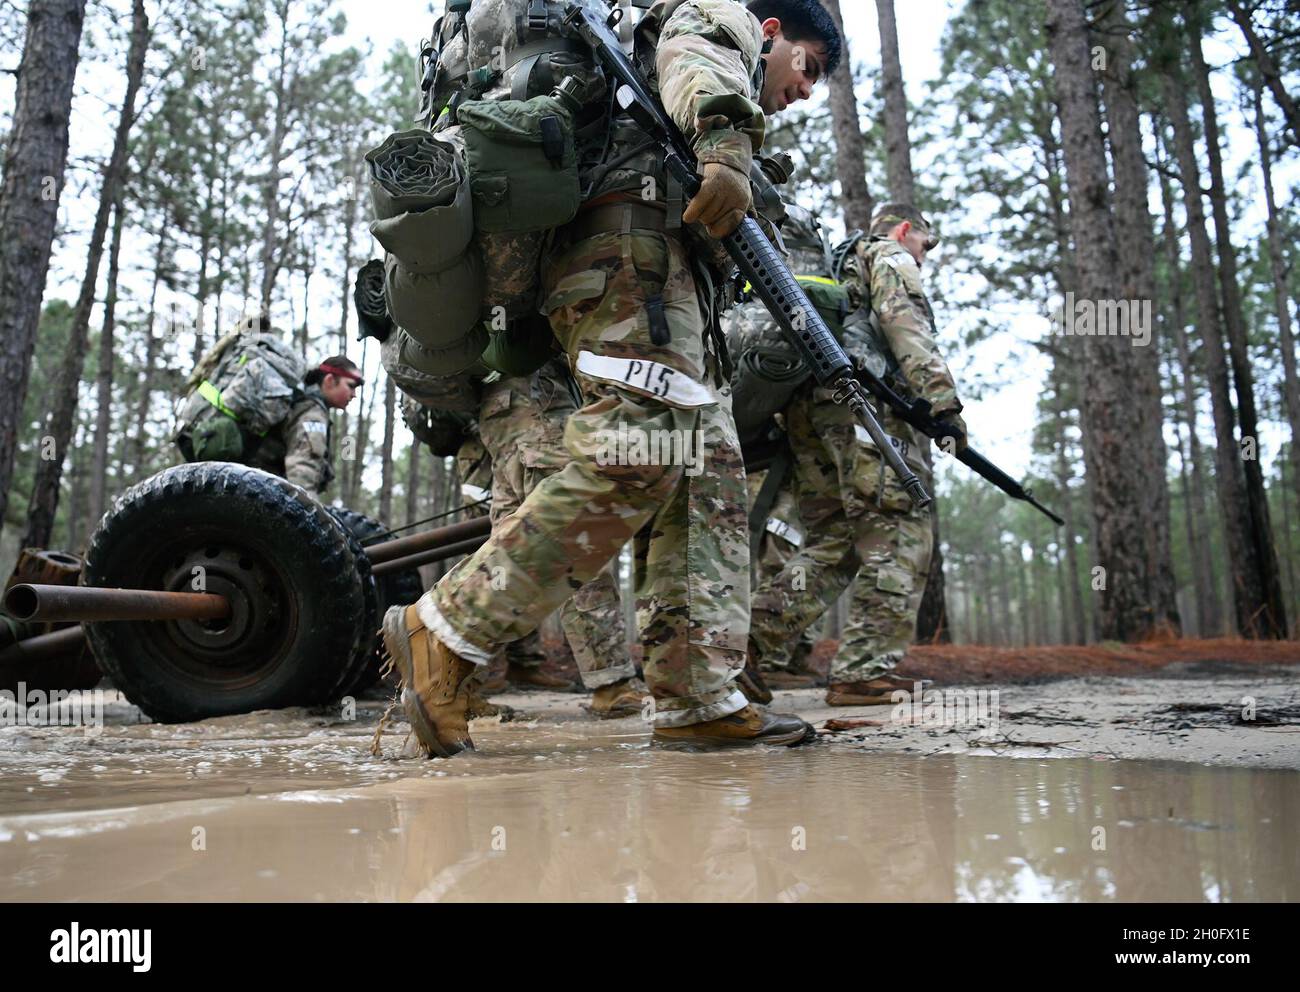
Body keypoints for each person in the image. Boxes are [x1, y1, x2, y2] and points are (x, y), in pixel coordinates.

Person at [381, 0, 843, 757]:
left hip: (660, 265)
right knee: (641, 448)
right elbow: (699, 51)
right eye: (808, 67)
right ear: (770, 35)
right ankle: (445, 628)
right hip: (629, 244)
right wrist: (726, 143)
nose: (805, 89)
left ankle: (699, 692)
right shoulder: (719, 14)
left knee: (709, 473)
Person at [746, 202, 967, 706]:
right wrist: (943, 402)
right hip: (861, 407)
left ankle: (742, 649)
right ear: (909, 229)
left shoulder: (833, 261)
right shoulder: (886, 252)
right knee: (901, 525)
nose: (924, 258)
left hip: (808, 410)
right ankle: (863, 670)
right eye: (925, 247)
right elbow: (903, 319)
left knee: (836, 541)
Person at [246, 356, 362, 498]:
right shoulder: (313, 415)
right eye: (351, 386)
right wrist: (310, 515)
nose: (354, 394)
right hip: (261, 495)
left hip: (254, 488)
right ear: (330, 381)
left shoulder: (301, 403)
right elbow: (302, 479)